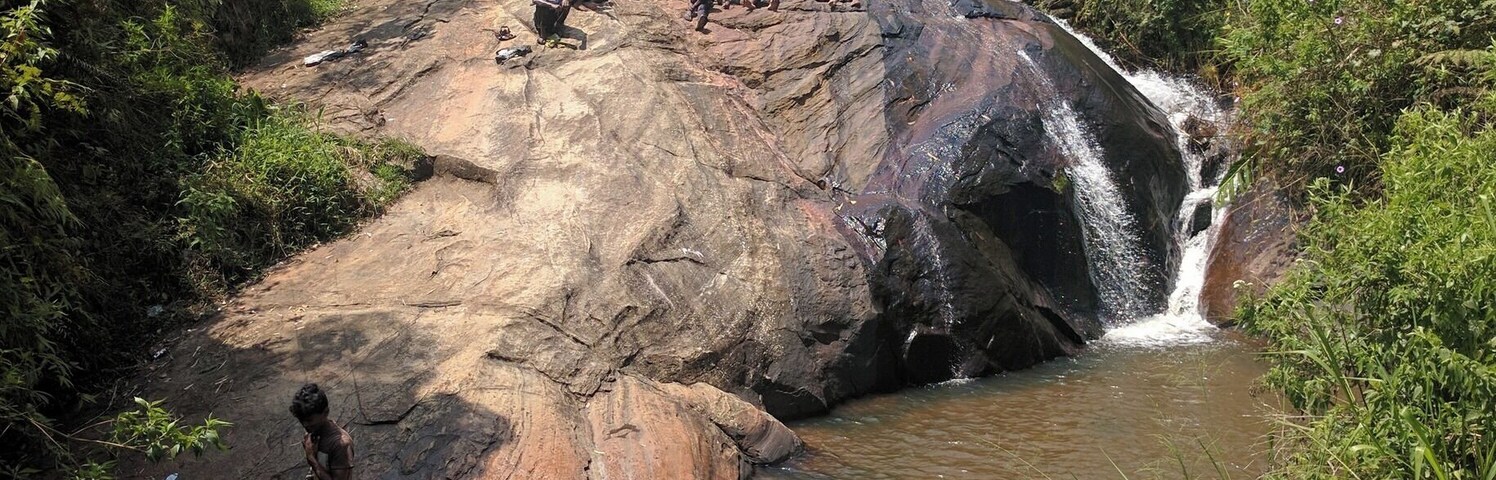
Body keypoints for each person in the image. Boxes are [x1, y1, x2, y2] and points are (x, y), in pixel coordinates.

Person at [290, 383, 355, 480]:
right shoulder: (313, 431)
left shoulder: (340, 445)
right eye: (301, 420)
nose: (305, 425)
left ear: (325, 412)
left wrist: (311, 459)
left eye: (309, 420)